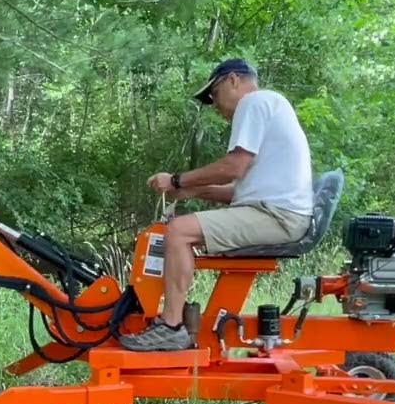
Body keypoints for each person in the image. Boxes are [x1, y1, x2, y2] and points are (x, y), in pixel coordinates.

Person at [119, 58, 314, 352]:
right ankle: (175, 322)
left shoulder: (254, 103)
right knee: (181, 229)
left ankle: (170, 326)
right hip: (277, 213)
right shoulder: (271, 105)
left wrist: (177, 180)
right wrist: (191, 191)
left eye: (214, 94)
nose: (213, 105)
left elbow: (233, 167)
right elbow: (239, 193)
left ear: (233, 80)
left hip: (278, 217)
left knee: (178, 231)